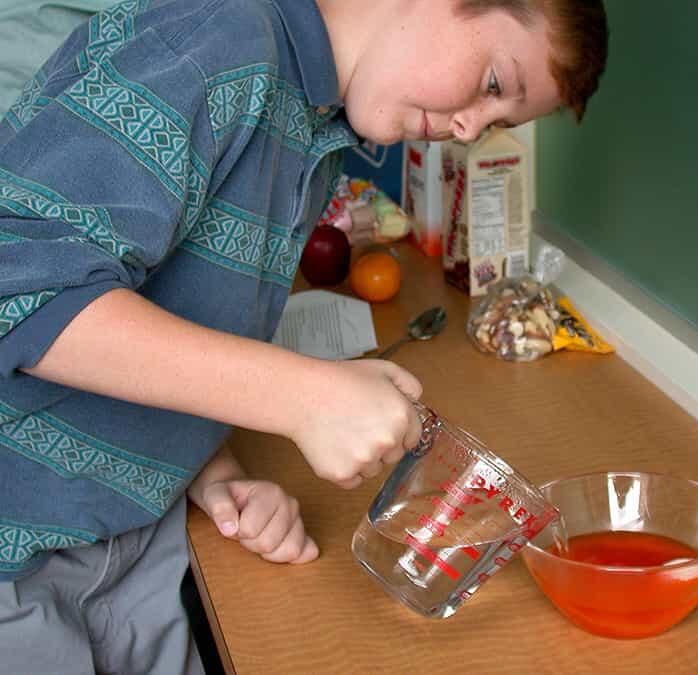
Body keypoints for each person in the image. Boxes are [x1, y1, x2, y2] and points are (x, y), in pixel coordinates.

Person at [0, 0, 608, 672]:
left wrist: (209, 465)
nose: (469, 127)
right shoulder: (216, 40)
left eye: (499, 121)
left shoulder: (316, 131)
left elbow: (164, 313)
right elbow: (20, 285)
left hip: (134, 539)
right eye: (494, 84)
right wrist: (298, 396)